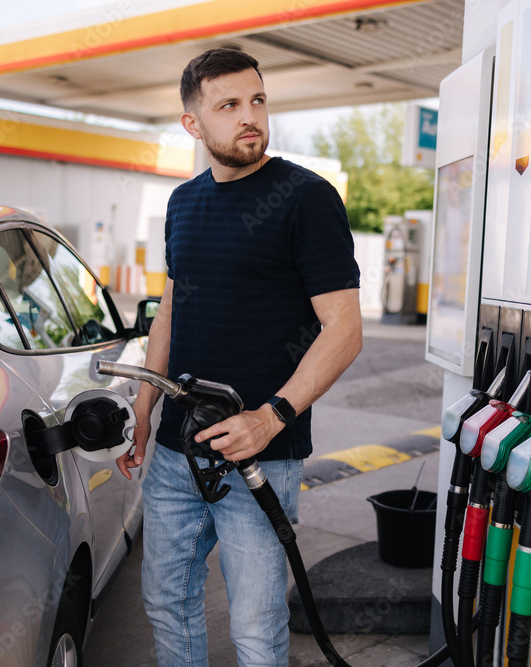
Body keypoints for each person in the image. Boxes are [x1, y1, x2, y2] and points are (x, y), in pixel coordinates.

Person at [116, 48, 363, 666]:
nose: (249, 116)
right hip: (176, 451)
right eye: (228, 105)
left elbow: (344, 329)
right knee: (168, 605)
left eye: (257, 100)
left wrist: (271, 416)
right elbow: (170, 312)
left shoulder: (307, 199)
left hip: (261, 456)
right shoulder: (182, 204)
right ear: (193, 123)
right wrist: (145, 403)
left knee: (256, 628)